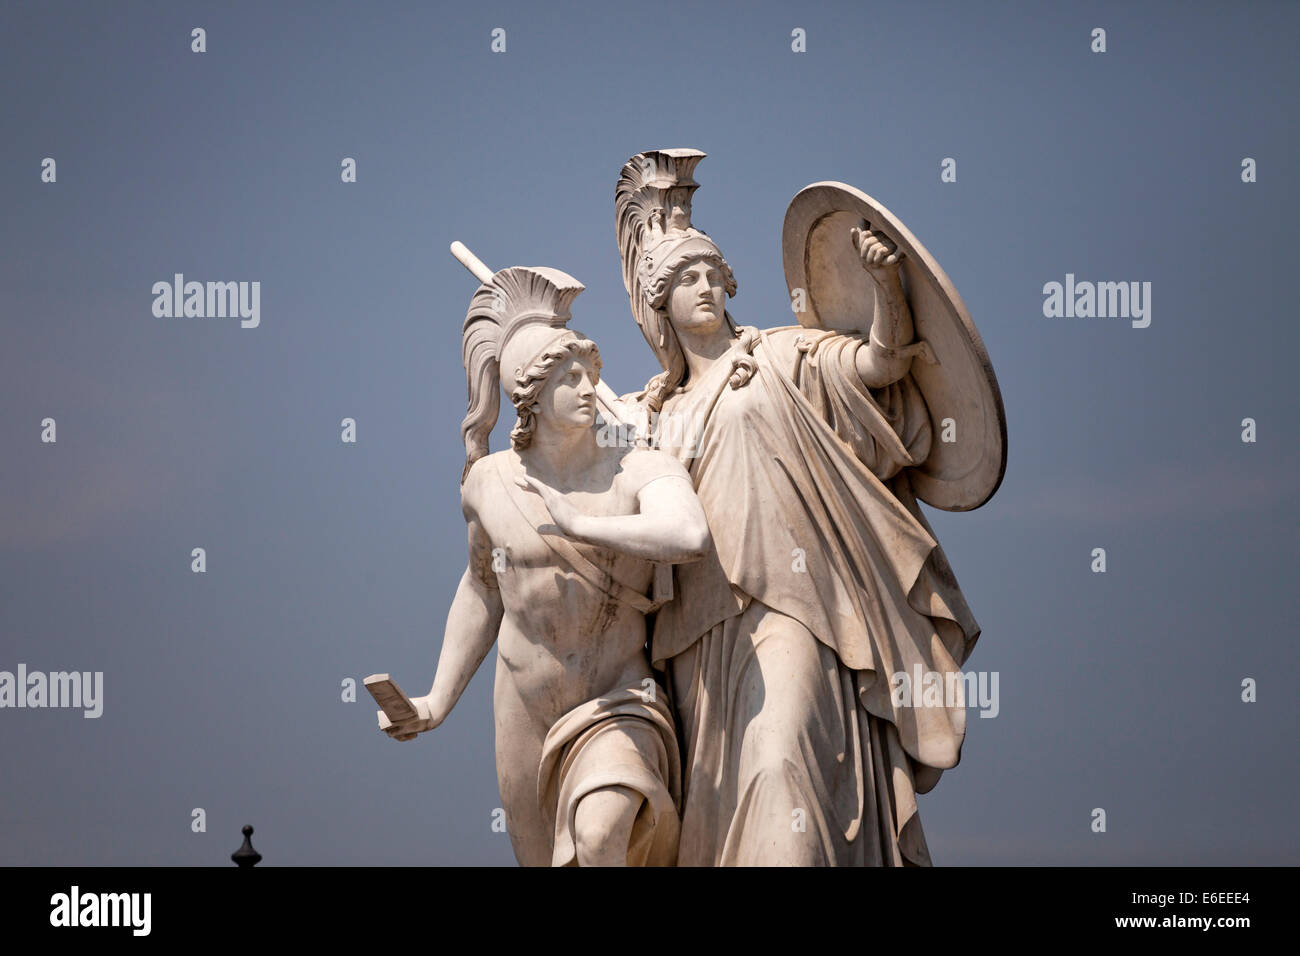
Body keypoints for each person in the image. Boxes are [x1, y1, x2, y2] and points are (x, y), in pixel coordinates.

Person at [613, 150, 981, 865]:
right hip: (695, 630)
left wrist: (884, 285)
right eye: (685, 279)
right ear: (660, 302)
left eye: (712, 275)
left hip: (795, 603)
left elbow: (878, 366)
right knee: (710, 808)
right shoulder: (646, 417)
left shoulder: (780, 358)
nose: (704, 288)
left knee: (777, 761)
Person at [380, 265, 710, 867]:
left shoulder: (635, 468)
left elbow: (689, 534)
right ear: (529, 396)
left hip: (616, 698)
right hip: (524, 710)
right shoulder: (489, 483)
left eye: (592, 374)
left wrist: (582, 525)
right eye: (570, 377)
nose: (590, 388)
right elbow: (483, 589)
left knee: (602, 833)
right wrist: (435, 702)